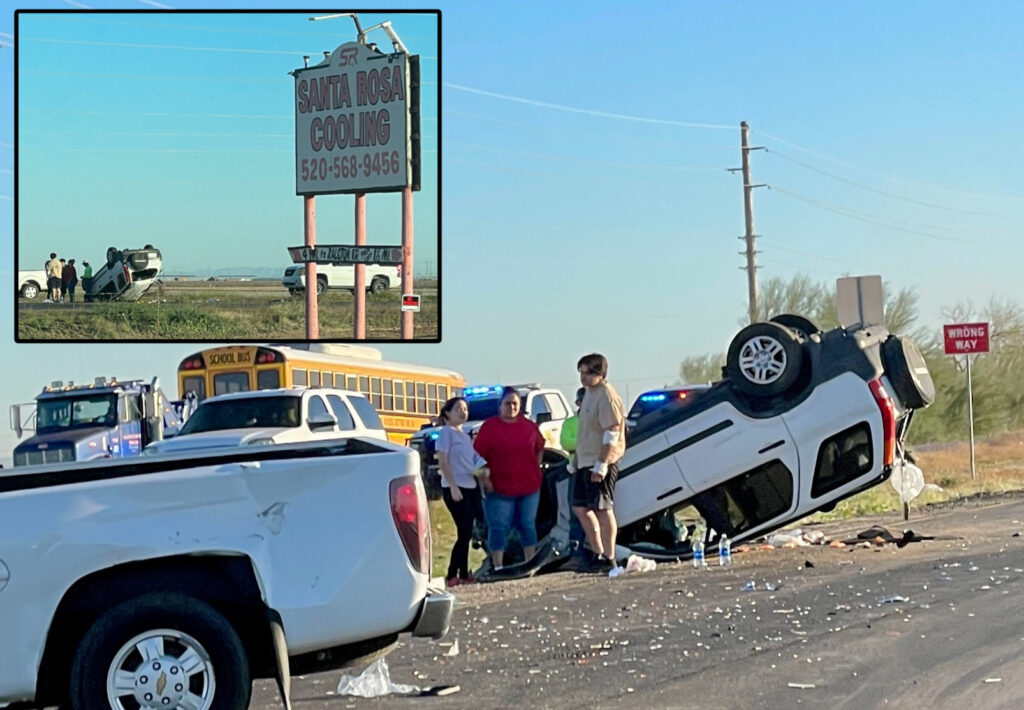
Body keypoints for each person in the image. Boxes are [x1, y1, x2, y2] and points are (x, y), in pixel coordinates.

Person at [473, 386, 546, 571]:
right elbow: (478, 455)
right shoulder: (489, 427)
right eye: (507, 403)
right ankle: (498, 565)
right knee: (498, 527)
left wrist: (536, 467)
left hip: (529, 486)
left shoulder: (529, 426)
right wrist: (484, 477)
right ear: (500, 405)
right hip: (498, 488)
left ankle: (530, 562)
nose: (511, 407)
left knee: (527, 525)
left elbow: (540, 447)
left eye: (515, 404)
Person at [571, 353, 627, 573]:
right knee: (580, 507)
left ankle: (609, 556)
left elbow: (612, 432)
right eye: (581, 373)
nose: (583, 378)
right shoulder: (588, 395)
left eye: (587, 373)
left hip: (600, 461)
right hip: (584, 460)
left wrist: (602, 464)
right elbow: (585, 431)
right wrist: (576, 459)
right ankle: (597, 552)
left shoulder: (606, 396)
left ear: (600, 373)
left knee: (603, 509)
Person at [435, 396, 484, 587]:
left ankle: (464, 573)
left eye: (465, 409)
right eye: (458, 409)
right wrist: (453, 486)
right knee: (463, 531)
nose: (463, 412)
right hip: (455, 488)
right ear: (447, 413)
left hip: (470, 486)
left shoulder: (465, 435)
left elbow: (473, 460)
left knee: (468, 531)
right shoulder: (446, 433)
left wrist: (483, 469)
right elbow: (443, 462)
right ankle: (451, 574)